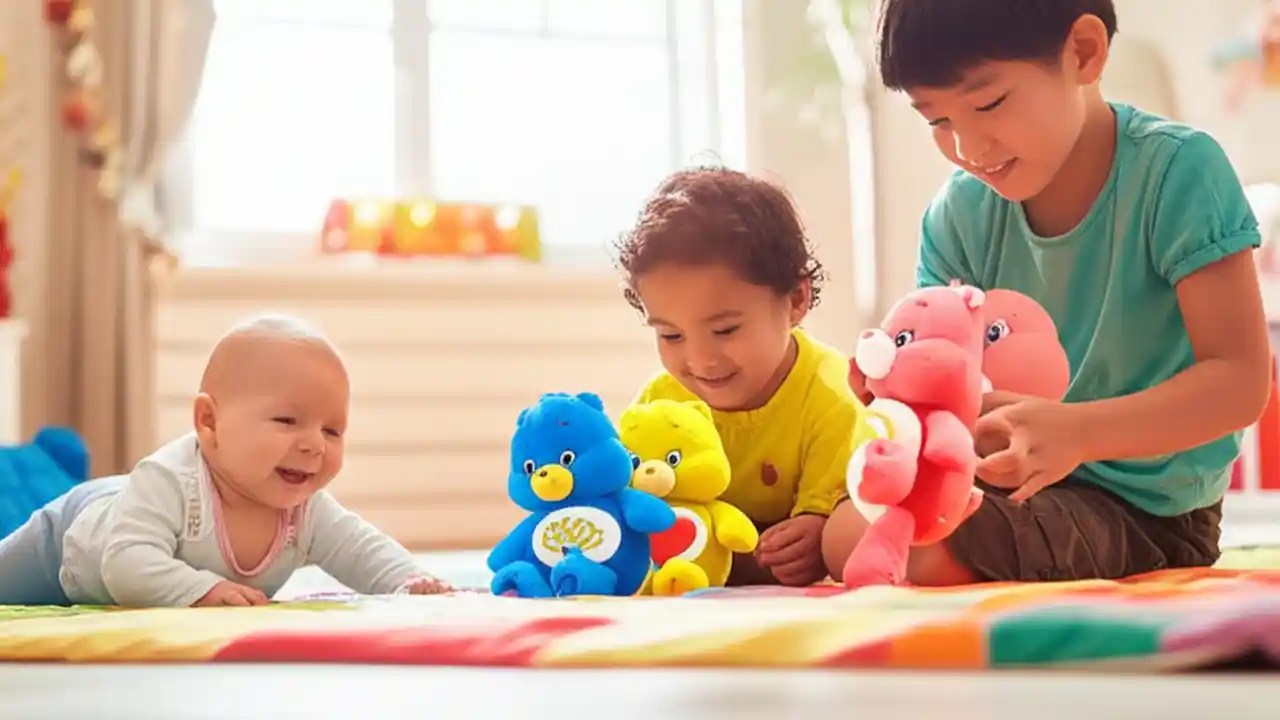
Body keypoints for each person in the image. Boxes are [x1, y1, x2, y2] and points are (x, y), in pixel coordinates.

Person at [824, 0, 1272, 585]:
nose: (968, 148)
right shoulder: (957, 216)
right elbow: (952, 388)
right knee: (843, 529)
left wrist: (1077, 432)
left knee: (918, 550)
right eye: (937, 120)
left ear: (1083, 53)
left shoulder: (1178, 174)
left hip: (1149, 511)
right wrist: (900, 392)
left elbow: (1239, 382)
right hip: (1000, 481)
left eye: (988, 104)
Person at [0, 314, 453, 606]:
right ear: (209, 421)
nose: (315, 444)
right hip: (69, 539)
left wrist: (409, 581)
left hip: (120, 509)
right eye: (287, 420)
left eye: (332, 430)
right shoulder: (169, 480)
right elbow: (124, 563)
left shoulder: (304, 507)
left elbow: (359, 548)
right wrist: (202, 591)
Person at [615, 167, 863, 586]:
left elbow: (835, 518)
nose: (701, 360)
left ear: (796, 299)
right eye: (671, 335)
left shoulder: (832, 394)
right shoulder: (662, 404)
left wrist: (814, 530)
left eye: (725, 330)